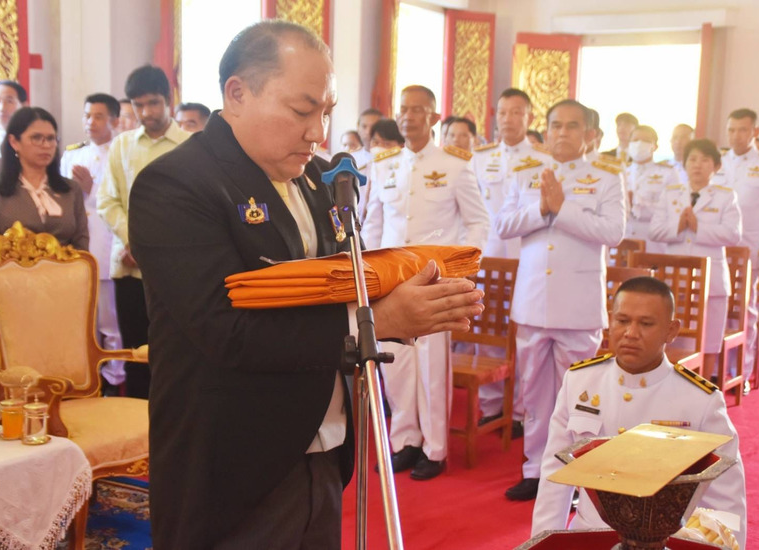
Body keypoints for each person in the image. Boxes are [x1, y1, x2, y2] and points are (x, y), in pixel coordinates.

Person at [128, 21, 484, 548]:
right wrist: (378, 321)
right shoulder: (176, 184)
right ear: (237, 93)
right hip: (234, 458)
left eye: (326, 112)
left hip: (326, 442)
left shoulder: (319, 178)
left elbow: (340, 282)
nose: (317, 131)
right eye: (301, 111)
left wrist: (410, 299)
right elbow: (227, 332)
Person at [531, 277, 747, 550]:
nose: (631, 333)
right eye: (622, 321)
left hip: (666, 541)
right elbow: (555, 472)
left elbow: (725, 494)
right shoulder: (580, 381)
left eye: (645, 324)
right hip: (592, 534)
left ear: (671, 330)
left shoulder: (700, 400)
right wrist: (544, 540)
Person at [496, 99, 626, 501]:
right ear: (546, 130)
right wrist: (541, 208)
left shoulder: (606, 177)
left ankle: (575, 473)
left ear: (589, 135)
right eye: (556, 126)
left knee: (581, 396)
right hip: (534, 302)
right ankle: (535, 469)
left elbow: (613, 232)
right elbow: (502, 225)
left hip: (579, 306)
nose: (563, 133)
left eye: (573, 126)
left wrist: (562, 209)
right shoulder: (524, 174)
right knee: (534, 393)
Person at [362, 84, 489, 481]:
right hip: (389, 280)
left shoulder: (455, 164)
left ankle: (434, 448)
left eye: (418, 110)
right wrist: (367, 270)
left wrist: (460, 267)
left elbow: (478, 222)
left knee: (431, 367)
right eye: (403, 109)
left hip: (436, 279)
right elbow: (374, 223)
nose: (408, 116)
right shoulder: (385, 164)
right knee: (396, 365)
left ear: (434, 117)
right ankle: (405, 441)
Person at [97, 65, 190, 399]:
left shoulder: (191, 145)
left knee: (177, 350)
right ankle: (138, 433)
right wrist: (134, 241)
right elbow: (107, 201)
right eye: (138, 105)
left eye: (153, 103)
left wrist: (152, 249)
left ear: (169, 100)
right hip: (129, 265)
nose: (146, 112)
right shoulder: (121, 146)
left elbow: (193, 211)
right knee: (136, 352)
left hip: (175, 270)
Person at [470, 87, 548, 429]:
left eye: (517, 112)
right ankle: (489, 406)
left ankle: (519, 410)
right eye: (503, 112)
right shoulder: (480, 158)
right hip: (488, 257)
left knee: (522, 336)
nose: (508, 119)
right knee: (486, 327)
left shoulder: (545, 161)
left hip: (527, 258)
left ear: (529, 117)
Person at [650, 139, 742, 378]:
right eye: (692, 159)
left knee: (709, 340)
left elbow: (733, 235)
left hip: (711, 282)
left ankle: (704, 390)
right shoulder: (671, 194)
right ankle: (668, 386)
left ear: (716, 166)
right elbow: (654, 230)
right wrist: (677, 226)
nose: (697, 165)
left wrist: (699, 227)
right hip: (674, 279)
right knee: (671, 336)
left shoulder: (726, 196)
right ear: (684, 163)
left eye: (704, 160)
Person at [713, 108, 759, 392]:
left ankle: (739, 374)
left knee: (745, 312)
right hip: (717, 247)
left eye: (742, 130)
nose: (735, 136)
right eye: (731, 130)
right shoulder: (717, 161)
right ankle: (713, 368)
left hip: (749, 251)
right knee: (715, 307)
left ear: (755, 131)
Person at [60, 93, 125, 391]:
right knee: (82, 320)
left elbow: (120, 200)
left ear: (113, 120)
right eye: (87, 116)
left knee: (110, 322)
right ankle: (87, 376)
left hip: (107, 243)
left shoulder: (121, 153)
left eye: (98, 116)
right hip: (78, 246)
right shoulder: (72, 155)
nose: (90, 122)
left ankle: (116, 377)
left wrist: (89, 189)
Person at [0, 107, 88, 250]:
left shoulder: (71, 189)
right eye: (36, 138)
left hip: (65, 270)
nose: (46, 145)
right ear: (14, 142)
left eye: (51, 138)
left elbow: (82, 247)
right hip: (12, 270)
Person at [624, 125, 680, 253]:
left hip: (653, 245)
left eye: (645, 141)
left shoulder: (668, 173)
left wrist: (637, 203)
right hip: (622, 243)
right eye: (635, 140)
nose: (639, 144)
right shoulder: (620, 173)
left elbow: (672, 212)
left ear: (655, 146)